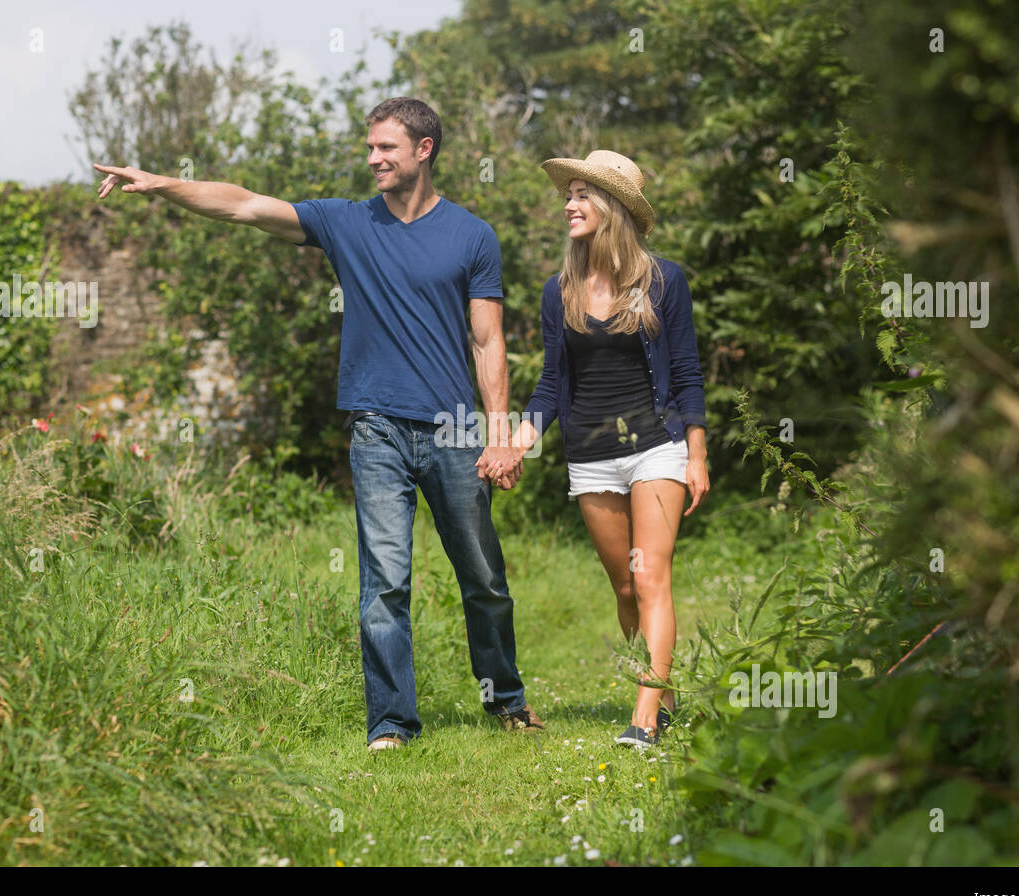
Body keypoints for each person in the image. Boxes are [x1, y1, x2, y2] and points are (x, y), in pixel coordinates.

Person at [94, 97, 542, 752]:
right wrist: (162, 185)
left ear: (424, 149)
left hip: (454, 431)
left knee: (482, 575)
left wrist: (498, 432)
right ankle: (392, 723)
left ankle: (504, 696)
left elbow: (488, 341)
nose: (372, 158)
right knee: (384, 580)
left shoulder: (472, 235)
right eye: (368, 148)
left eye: (385, 147)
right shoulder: (344, 222)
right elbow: (245, 204)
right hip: (377, 430)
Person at [493, 150, 710, 749]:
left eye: (583, 194)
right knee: (623, 587)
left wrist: (697, 453)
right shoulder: (557, 292)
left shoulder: (664, 282)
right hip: (590, 454)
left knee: (649, 579)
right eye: (569, 194)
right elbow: (551, 386)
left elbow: (688, 374)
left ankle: (643, 720)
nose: (569, 203)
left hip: (656, 447)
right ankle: (665, 695)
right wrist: (518, 443)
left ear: (612, 207)